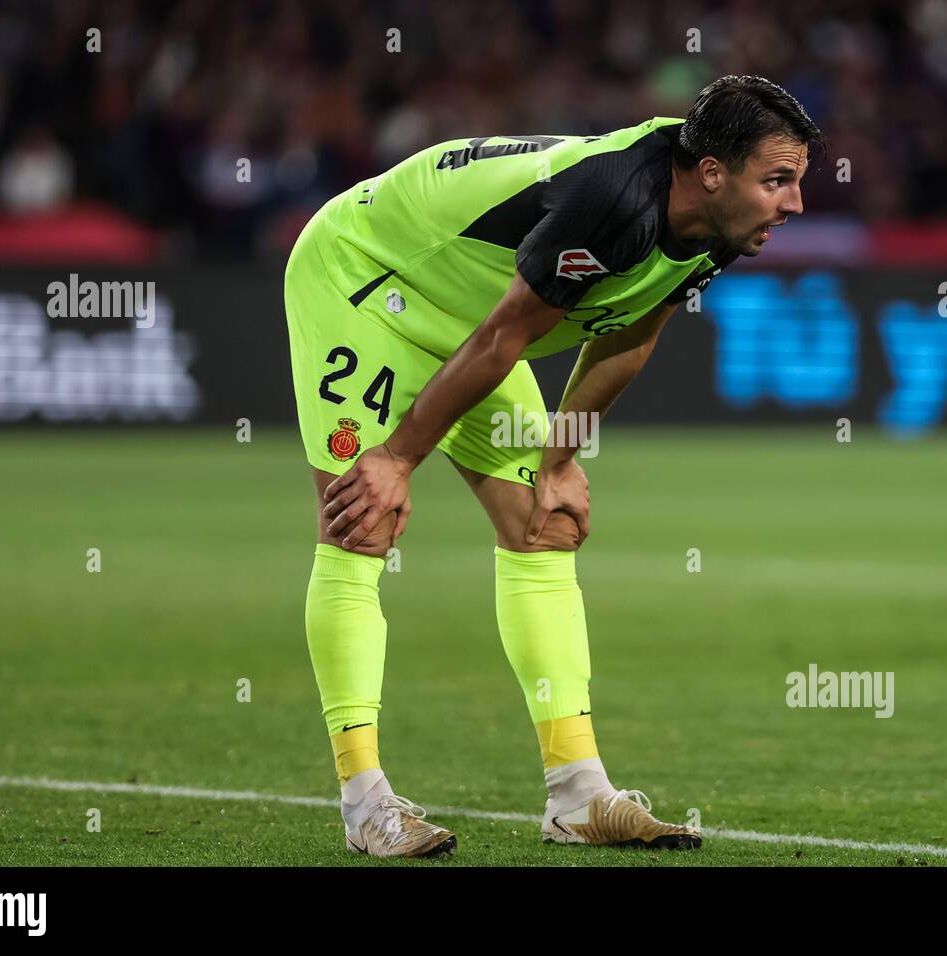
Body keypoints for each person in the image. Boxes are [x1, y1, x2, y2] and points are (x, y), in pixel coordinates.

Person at [283, 75, 822, 857]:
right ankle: (365, 802)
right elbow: (506, 339)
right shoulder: (616, 200)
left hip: (479, 320)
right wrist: (398, 458)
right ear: (713, 171)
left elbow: (631, 331)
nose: (794, 203)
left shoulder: (717, 220)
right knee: (363, 521)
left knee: (547, 526)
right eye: (779, 181)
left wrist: (560, 454)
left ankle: (578, 795)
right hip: (369, 281)